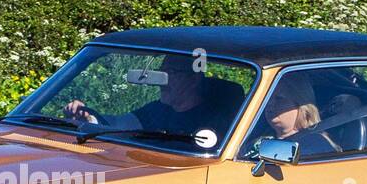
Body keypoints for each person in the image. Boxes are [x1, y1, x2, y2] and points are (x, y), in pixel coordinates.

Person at [63, 55, 245, 137]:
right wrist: (88, 118)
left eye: (170, 73)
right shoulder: (157, 110)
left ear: (194, 79)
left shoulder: (218, 119)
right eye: (161, 72)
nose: (161, 80)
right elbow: (120, 124)